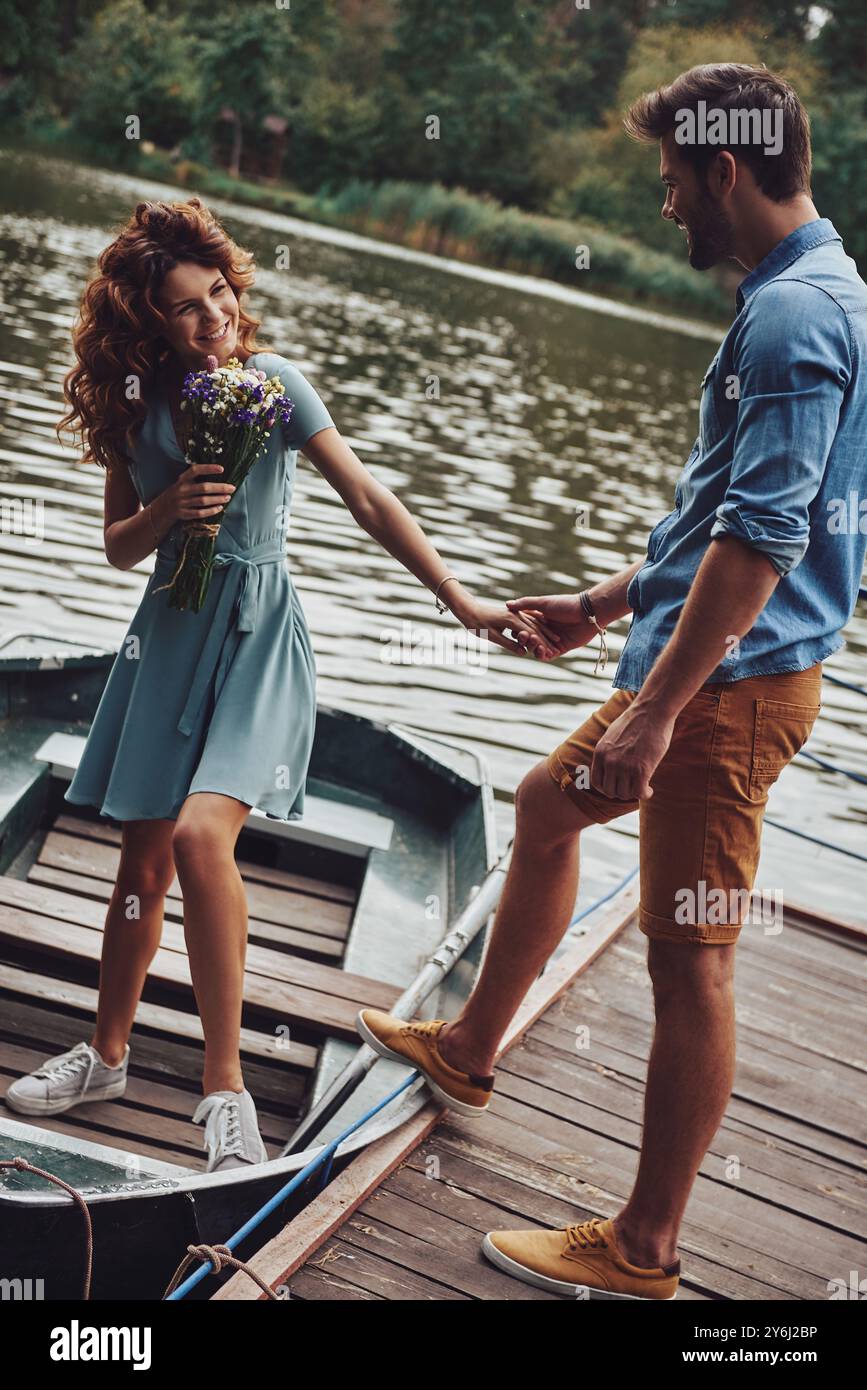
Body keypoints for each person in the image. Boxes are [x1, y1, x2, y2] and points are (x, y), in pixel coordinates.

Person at [358, 63, 867, 1300]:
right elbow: (723, 518)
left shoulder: (800, 315)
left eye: (670, 183)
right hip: (706, 666)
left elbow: (762, 544)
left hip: (725, 692)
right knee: (545, 802)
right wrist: (602, 605)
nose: (666, 208)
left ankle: (645, 1246)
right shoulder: (811, 288)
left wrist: (656, 710)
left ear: (726, 172)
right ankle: (474, 1046)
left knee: (690, 956)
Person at [4, 196, 556, 1173]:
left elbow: (369, 497)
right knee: (139, 868)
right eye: (185, 307)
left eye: (218, 294)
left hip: (260, 640)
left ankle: (225, 1093)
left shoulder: (274, 384)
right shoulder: (136, 404)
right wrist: (172, 504)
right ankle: (107, 1055)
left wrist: (462, 604)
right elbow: (117, 544)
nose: (213, 316)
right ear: (148, 323)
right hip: (166, 641)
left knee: (198, 836)